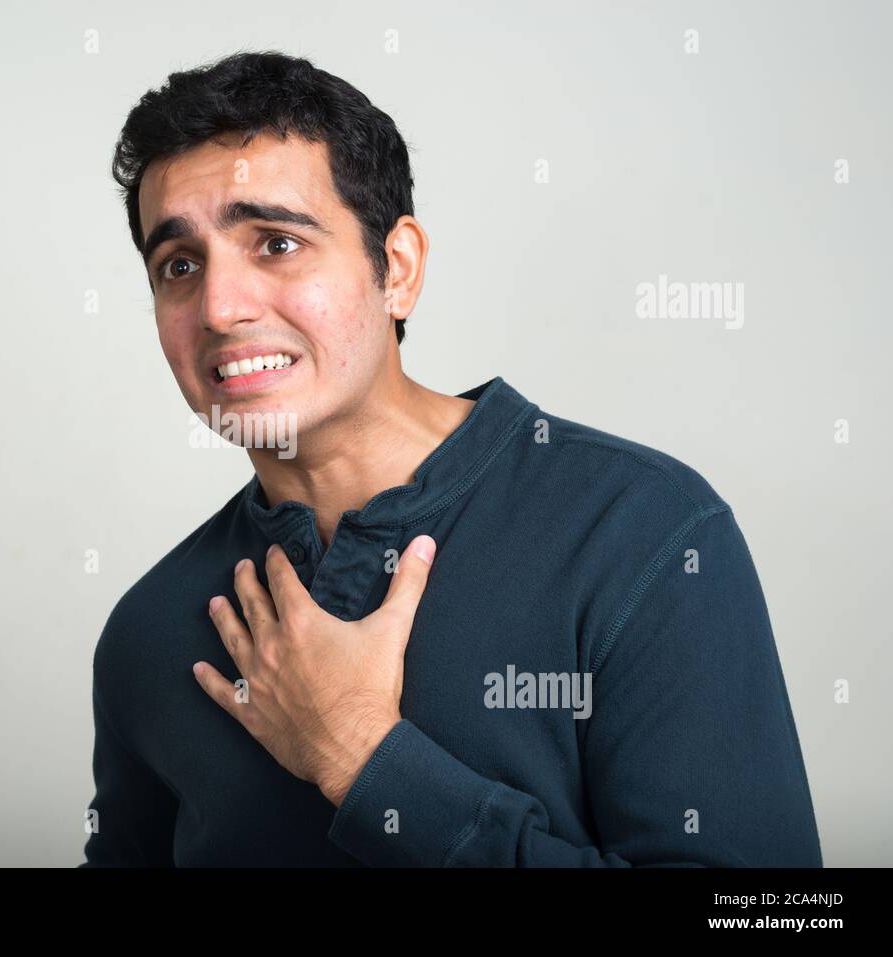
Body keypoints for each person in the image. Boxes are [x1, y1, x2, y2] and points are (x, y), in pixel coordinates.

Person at [80, 50, 822, 867]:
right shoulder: (148, 632)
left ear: (396, 270)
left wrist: (365, 758)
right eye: (178, 266)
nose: (220, 307)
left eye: (276, 243)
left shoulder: (647, 535)